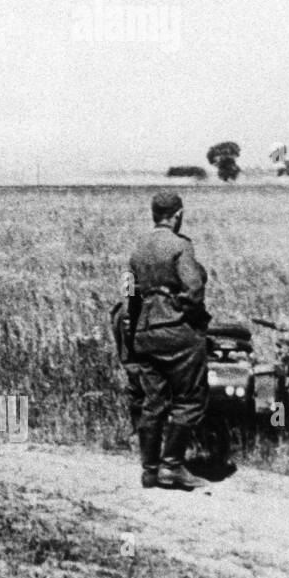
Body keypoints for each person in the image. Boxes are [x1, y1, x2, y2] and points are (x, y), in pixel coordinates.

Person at [126, 191, 211, 491]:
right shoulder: (181, 246)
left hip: (144, 334)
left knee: (153, 402)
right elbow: (194, 289)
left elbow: (129, 297)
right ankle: (172, 466)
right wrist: (186, 313)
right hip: (176, 332)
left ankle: (149, 471)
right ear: (177, 215)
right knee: (190, 398)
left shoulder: (137, 251)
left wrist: (134, 331)